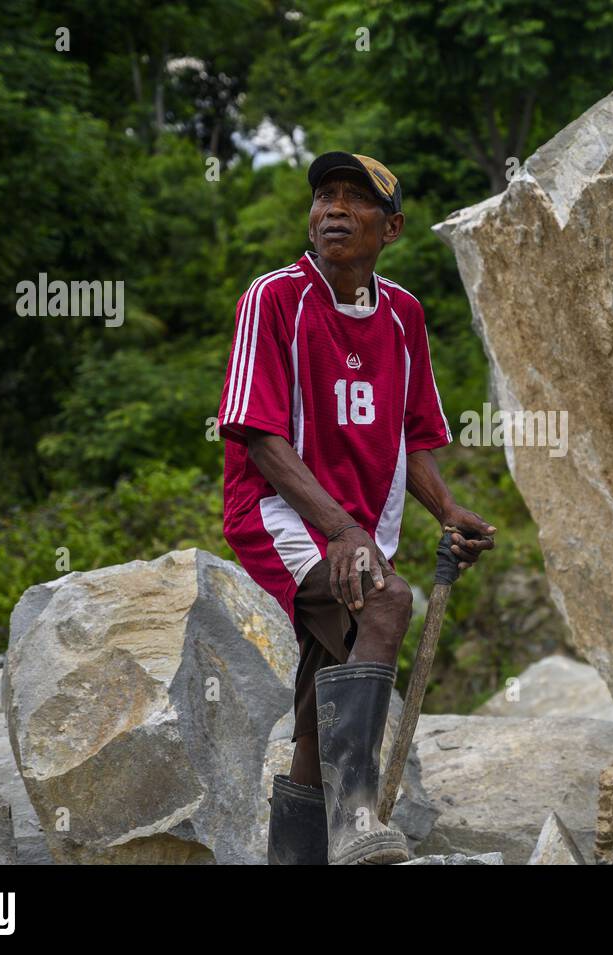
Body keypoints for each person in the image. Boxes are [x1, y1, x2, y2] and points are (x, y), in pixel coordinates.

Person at [216, 152, 495, 865]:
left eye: (355, 199)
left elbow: (413, 434)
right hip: (279, 515)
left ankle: (299, 858)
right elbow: (256, 432)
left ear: (391, 227)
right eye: (325, 196)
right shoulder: (274, 297)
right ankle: (357, 816)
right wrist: (341, 529)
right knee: (386, 603)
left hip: (359, 533)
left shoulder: (403, 315)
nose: (333, 208)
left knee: (316, 715)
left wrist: (447, 508)